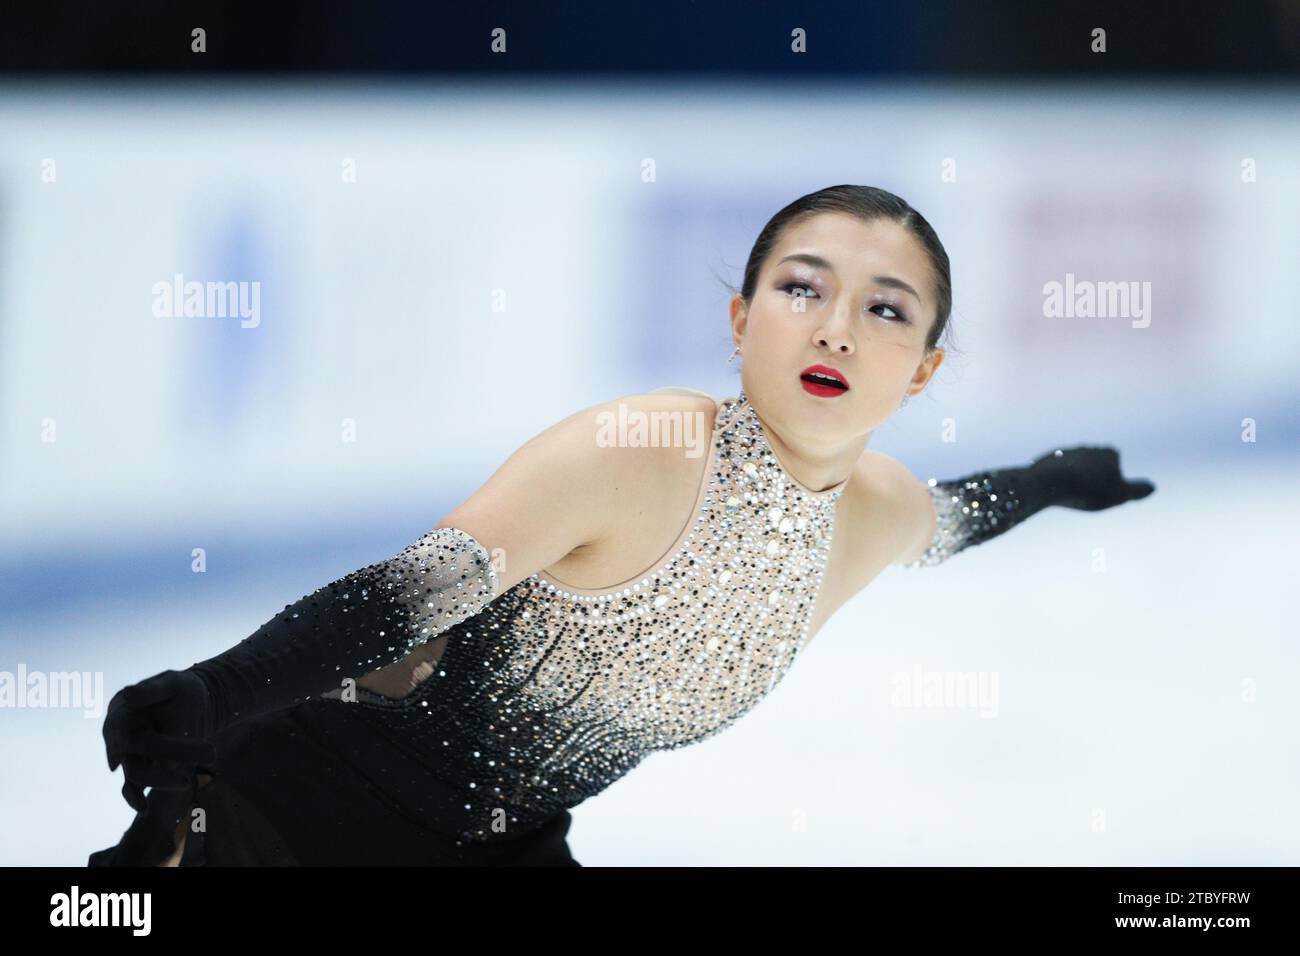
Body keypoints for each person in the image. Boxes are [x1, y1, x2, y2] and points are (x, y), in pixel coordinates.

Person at [88, 184, 1154, 867]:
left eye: (884, 308)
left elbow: (964, 515)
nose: (836, 325)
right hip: (294, 816)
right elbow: (410, 589)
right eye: (801, 287)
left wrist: (1054, 476)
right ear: (741, 320)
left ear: (922, 368)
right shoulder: (638, 450)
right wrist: (204, 696)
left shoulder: (876, 512)